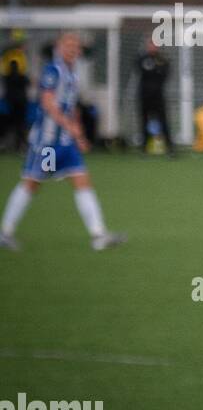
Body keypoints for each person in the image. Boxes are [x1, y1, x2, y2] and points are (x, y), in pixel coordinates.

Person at [0, 31, 128, 252]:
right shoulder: (53, 70)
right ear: (58, 47)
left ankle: (98, 235)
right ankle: (5, 232)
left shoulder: (72, 73)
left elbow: (71, 107)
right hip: (47, 143)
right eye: (68, 45)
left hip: (66, 143)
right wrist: (68, 125)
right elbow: (48, 102)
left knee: (82, 181)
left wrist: (78, 134)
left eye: (75, 46)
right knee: (32, 183)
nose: (72, 49)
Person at [136, 37, 174, 153]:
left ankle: (170, 148)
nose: (152, 47)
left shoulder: (162, 59)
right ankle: (144, 148)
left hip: (158, 96)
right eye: (150, 44)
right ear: (148, 45)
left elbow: (165, 73)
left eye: (155, 45)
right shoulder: (142, 59)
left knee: (163, 121)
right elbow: (139, 70)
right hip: (144, 96)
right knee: (144, 121)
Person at [2, 32, 30, 152]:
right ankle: (18, 145)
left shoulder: (12, 56)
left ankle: (17, 144)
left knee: (14, 121)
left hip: (14, 95)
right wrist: (26, 80)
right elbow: (14, 77)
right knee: (16, 122)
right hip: (16, 97)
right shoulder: (14, 57)